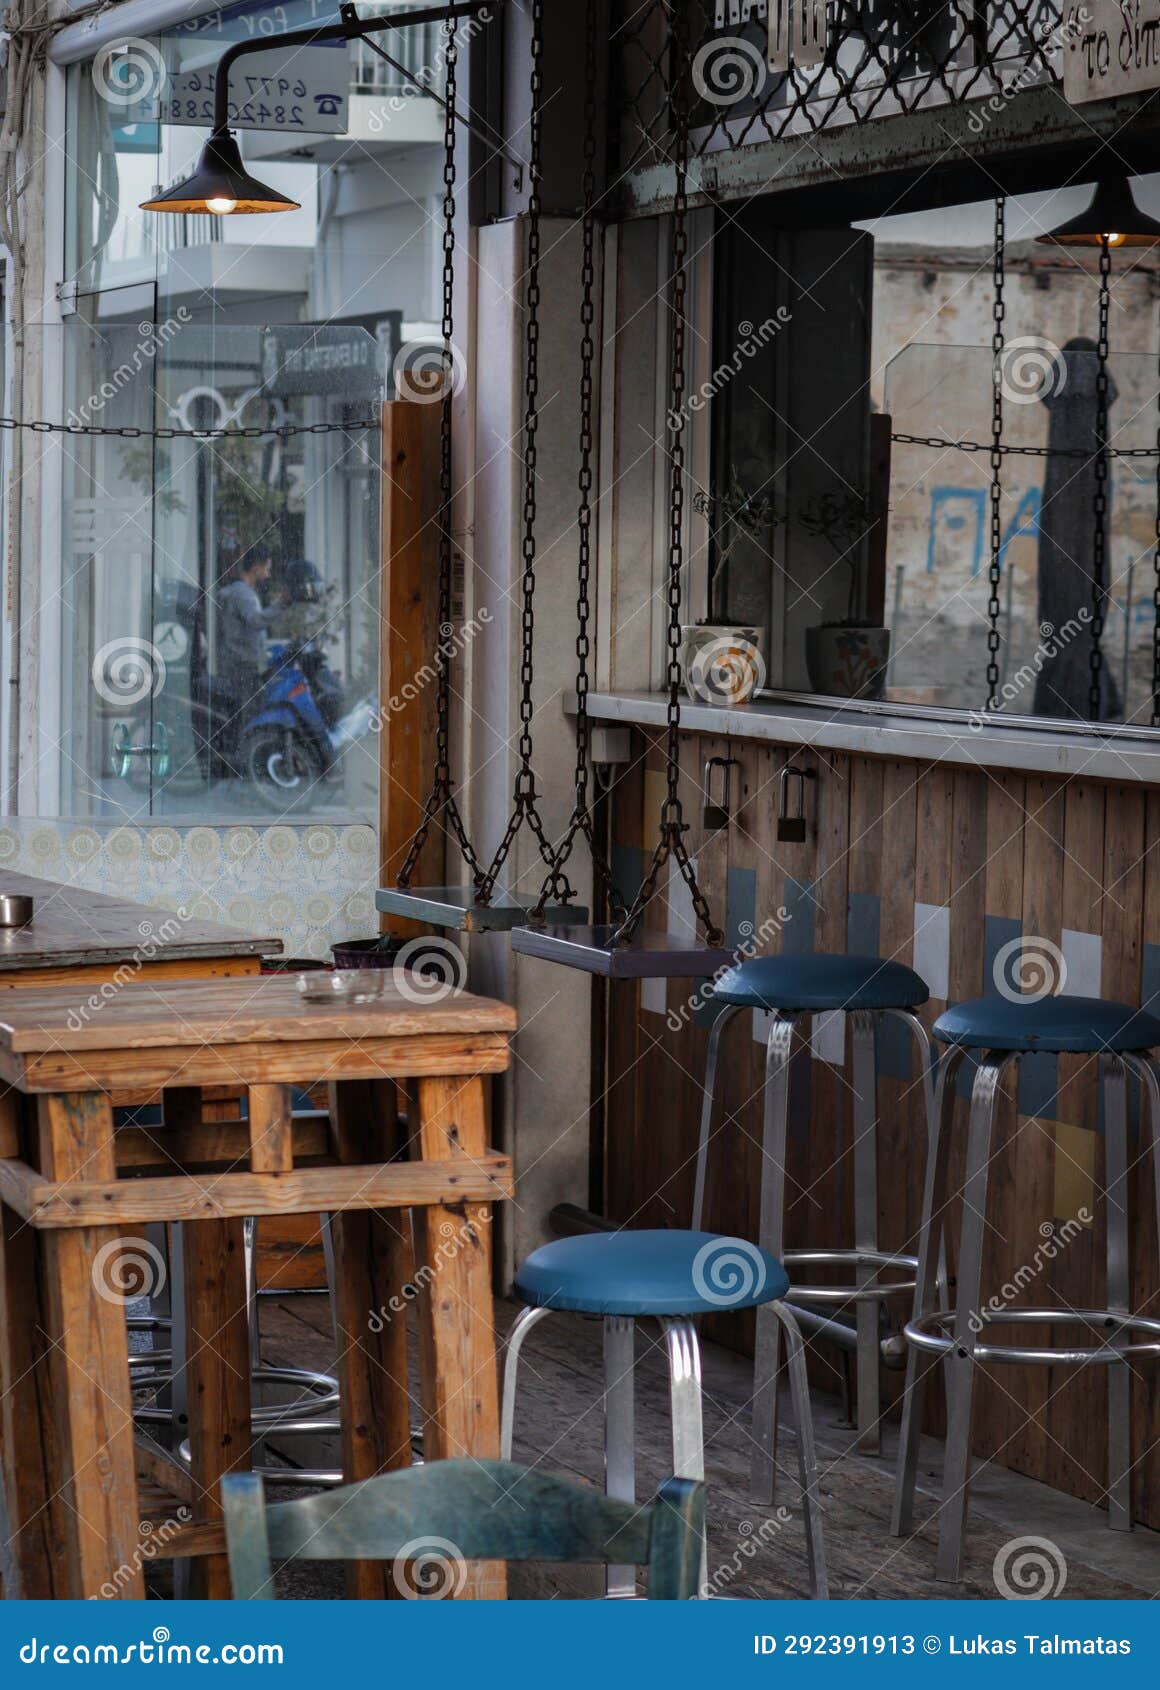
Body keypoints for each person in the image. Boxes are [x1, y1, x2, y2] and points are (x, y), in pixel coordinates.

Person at [215, 554, 283, 775]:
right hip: (242, 665)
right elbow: (255, 621)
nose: (269, 574)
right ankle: (246, 767)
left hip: (237, 662)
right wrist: (281, 605)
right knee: (249, 716)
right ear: (256, 567)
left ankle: (243, 764)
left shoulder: (239, 592)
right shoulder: (243, 594)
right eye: (267, 568)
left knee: (243, 714)